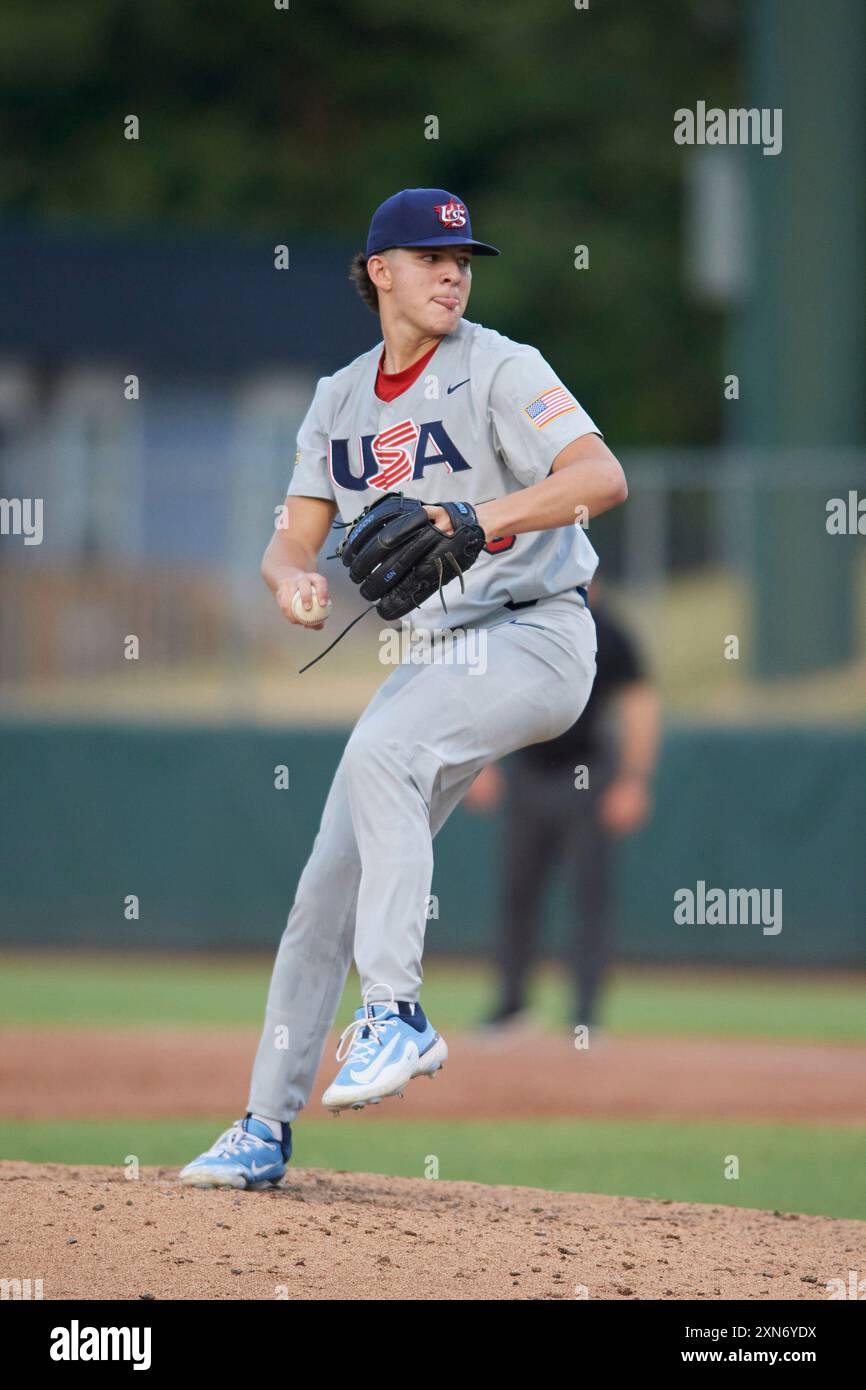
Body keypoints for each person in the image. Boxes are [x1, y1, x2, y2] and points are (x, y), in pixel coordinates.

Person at [179, 187, 627, 1189]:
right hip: (436, 658)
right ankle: (261, 1125)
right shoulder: (339, 397)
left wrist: (480, 517)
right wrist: (289, 576)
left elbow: (600, 476)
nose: (453, 271)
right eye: (430, 255)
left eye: (462, 256)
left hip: (539, 636)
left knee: (384, 749)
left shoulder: (502, 366)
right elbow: (293, 533)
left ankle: (394, 1010)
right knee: (319, 893)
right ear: (379, 271)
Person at [464, 585, 660, 1040]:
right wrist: (482, 764)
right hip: (528, 773)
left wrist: (633, 781)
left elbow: (639, 705)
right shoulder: (524, 623)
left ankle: (585, 1015)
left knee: (589, 896)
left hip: (589, 775)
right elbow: (490, 694)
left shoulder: (609, 631)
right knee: (517, 893)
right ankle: (512, 1007)